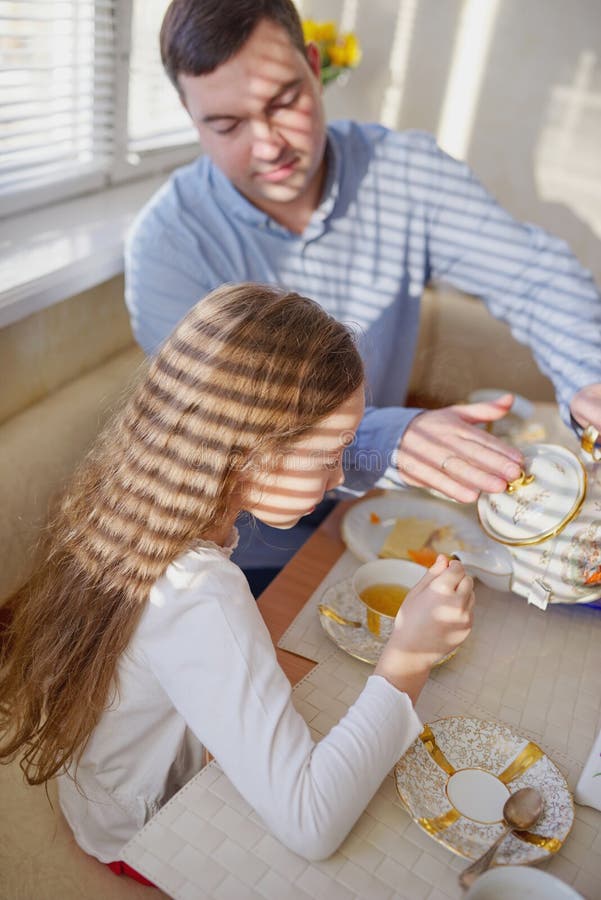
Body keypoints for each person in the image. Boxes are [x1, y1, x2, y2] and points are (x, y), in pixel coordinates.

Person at [0, 284, 474, 882]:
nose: (338, 473)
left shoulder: (131, 499)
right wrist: (410, 656)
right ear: (248, 449)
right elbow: (312, 823)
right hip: (140, 832)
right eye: (330, 453)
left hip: (101, 787)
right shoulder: (200, 595)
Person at [125, 0, 601, 588]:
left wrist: (589, 377)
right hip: (233, 551)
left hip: (379, 512)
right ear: (189, 114)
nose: (269, 145)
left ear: (315, 66)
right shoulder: (168, 245)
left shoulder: (405, 173)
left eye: (284, 102)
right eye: (227, 125)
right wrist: (389, 440)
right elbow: (226, 432)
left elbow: (534, 276)